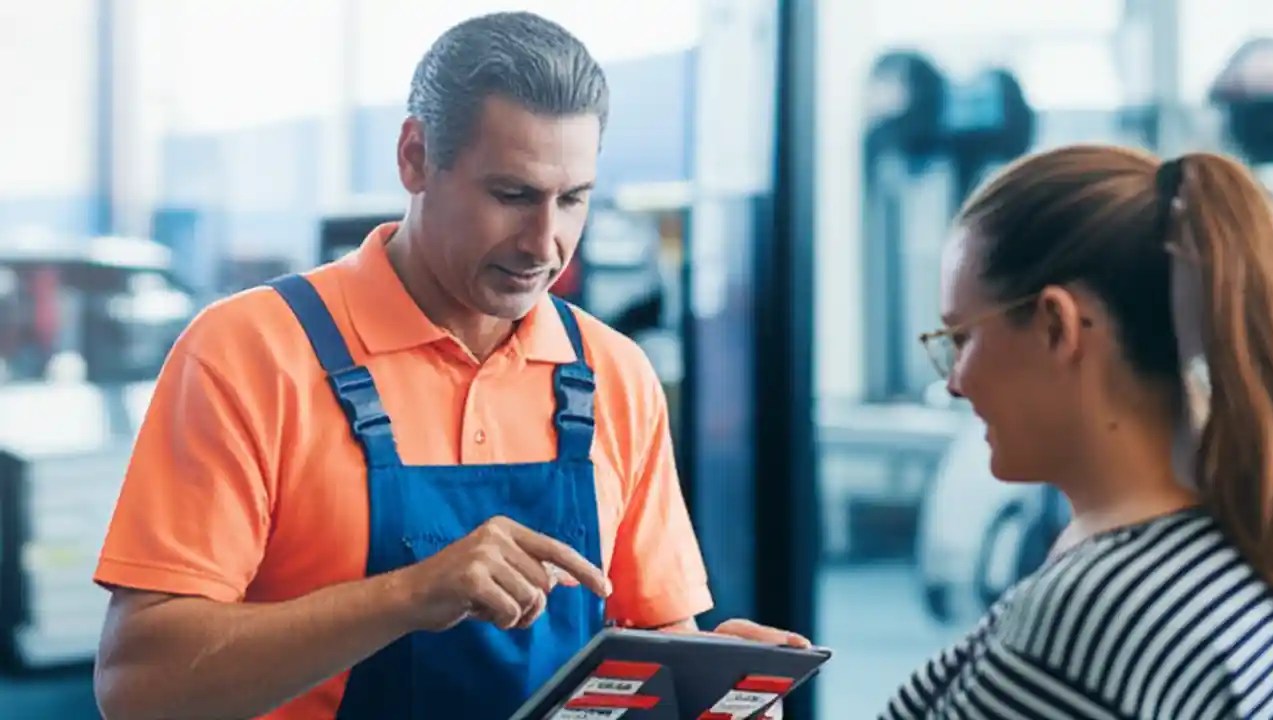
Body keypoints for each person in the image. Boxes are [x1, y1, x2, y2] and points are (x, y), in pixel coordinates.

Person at [92, 12, 805, 720]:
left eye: (573, 200)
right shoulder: (250, 353)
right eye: (512, 195)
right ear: (414, 156)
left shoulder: (614, 375)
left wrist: (705, 688)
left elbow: (651, 645)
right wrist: (406, 597)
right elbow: (141, 689)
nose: (545, 244)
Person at [884, 145, 1273, 719]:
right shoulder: (1226, 550)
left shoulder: (1103, 611)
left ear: (1055, 327)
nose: (955, 383)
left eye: (962, 339)